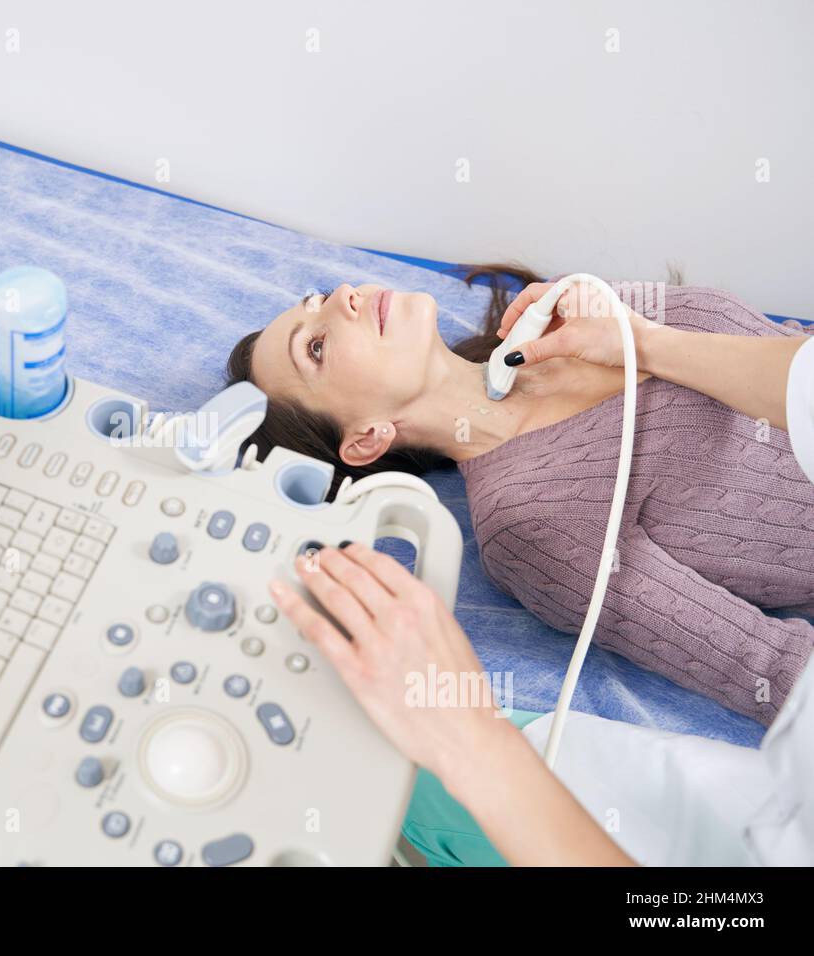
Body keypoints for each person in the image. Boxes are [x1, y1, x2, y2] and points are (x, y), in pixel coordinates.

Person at [266, 281, 814, 865]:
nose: (345, 295)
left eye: (321, 295)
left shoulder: (588, 313)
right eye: (317, 347)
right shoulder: (531, 526)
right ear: (367, 439)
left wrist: (647, 342)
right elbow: (772, 668)